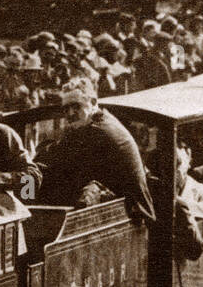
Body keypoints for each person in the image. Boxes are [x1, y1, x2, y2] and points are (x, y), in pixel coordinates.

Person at [34, 76, 156, 224]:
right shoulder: (103, 120)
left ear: (93, 102)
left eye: (76, 106)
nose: (70, 113)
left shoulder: (95, 131)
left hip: (130, 216)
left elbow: (46, 160)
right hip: (130, 211)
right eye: (66, 109)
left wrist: (24, 189)